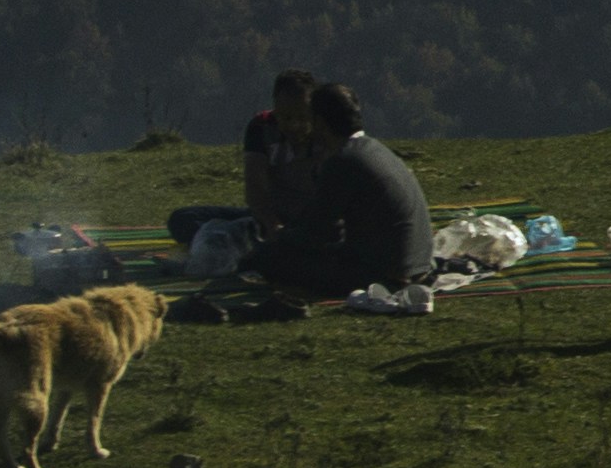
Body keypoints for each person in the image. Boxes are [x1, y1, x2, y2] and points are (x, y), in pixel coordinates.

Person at [261, 83, 433, 298]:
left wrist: (279, 238)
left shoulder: (343, 161)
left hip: (383, 274)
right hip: (417, 265)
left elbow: (314, 231)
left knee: (269, 259)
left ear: (321, 123)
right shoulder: (374, 149)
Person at [169, 71, 322, 256]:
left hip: (314, 219)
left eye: (302, 118)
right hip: (268, 216)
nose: (294, 125)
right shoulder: (262, 127)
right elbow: (255, 188)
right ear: (275, 107)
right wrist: (272, 224)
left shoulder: (327, 131)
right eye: (286, 117)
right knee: (183, 219)